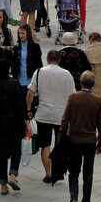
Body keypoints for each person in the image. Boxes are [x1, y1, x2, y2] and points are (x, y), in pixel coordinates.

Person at [27, 48, 74, 183]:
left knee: (45, 144)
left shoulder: (40, 72)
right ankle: (58, 172)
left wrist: (29, 109)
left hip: (43, 114)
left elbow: (30, 93)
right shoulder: (66, 74)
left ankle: (48, 173)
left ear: (47, 59)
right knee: (59, 144)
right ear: (59, 60)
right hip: (61, 115)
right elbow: (72, 95)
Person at [61, 70, 101, 202]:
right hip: (90, 142)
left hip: (74, 141)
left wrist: (61, 138)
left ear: (80, 83)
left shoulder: (73, 97)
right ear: (93, 85)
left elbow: (64, 120)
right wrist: (100, 143)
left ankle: (73, 198)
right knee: (88, 173)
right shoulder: (98, 101)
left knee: (73, 172)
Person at [0, 58, 28, 195]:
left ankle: (3, 185)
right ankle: (13, 175)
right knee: (16, 149)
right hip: (13, 122)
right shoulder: (14, 84)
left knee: (2, 154)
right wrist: (25, 121)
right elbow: (20, 104)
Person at [11, 23, 42, 88]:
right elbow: (14, 64)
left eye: (23, 33)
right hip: (19, 80)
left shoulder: (35, 47)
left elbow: (39, 64)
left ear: (28, 34)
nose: (21, 35)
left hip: (31, 80)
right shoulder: (16, 47)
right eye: (19, 33)